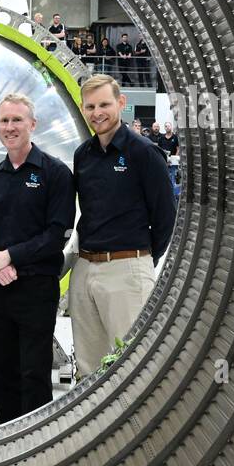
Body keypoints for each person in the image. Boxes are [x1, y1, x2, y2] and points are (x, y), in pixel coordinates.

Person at [0, 94, 75, 424]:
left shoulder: (55, 174)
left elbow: (57, 233)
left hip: (36, 290)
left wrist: (10, 256)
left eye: (17, 120)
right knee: (3, 374)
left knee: (34, 374)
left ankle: (34, 449)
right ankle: (6, 446)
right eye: (4, 121)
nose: (10, 127)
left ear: (32, 124)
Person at [70, 75, 176, 376]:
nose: (97, 112)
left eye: (104, 104)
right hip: (86, 267)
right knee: (89, 366)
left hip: (127, 268)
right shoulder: (83, 155)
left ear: (121, 103)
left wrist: (141, 261)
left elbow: (165, 216)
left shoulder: (143, 153)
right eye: (90, 106)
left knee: (131, 365)